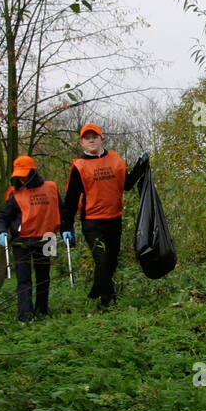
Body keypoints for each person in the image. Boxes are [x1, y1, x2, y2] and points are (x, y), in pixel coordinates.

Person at [60, 123, 142, 309]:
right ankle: (107, 302)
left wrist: (140, 165)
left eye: (94, 136)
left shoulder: (115, 160)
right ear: (81, 142)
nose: (91, 140)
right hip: (92, 221)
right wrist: (66, 226)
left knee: (112, 261)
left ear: (101, 138)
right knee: (102, 259)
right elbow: (71, 200)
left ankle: (95, 292)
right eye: (87, 137)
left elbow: (127, 184)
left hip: (115, 218)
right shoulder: (79, 167)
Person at [0, 155, 62, 323]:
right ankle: (25, 316)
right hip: (21, 241)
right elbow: (2, 217)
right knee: (24, 279)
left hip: (47, 238)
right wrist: (1, 232)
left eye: (25, 173)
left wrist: (67, 230)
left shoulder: (51, 188)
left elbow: (63, 210)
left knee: (44, 276)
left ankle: (42, 310)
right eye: (19, 175)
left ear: (33, 171)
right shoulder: (15, 195)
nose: (22, 177)